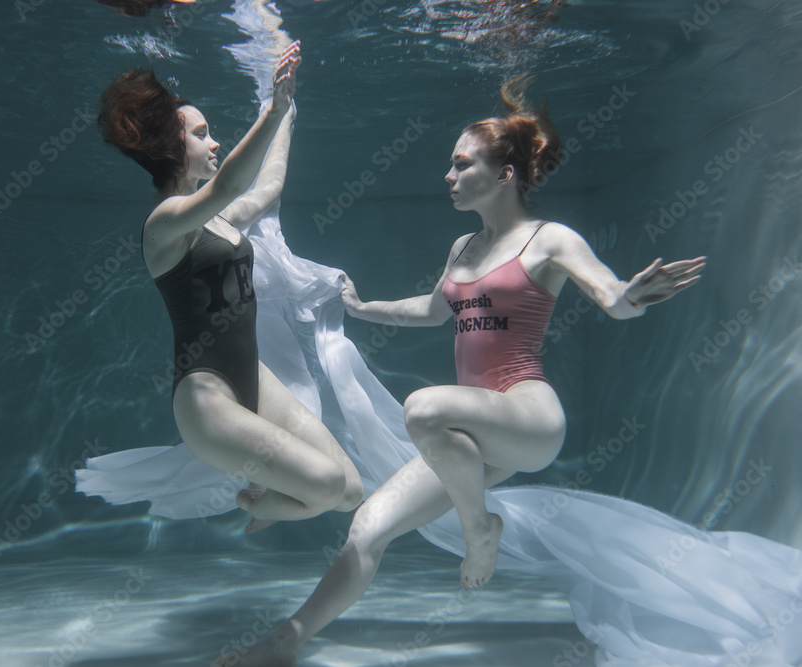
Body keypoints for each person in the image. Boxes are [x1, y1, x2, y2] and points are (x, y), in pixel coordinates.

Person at [212, 74, 706, 666]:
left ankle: (479, 532)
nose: (448, 175)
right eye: (451, 164)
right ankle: (287, 639)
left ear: (505, 174)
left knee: (423, 407)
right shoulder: (462, 249)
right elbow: (430, 311)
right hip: (468, 436)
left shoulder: (550, 239)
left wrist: (632, 295)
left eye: (461, 164)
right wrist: (361, 307)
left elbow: (611, 297)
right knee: (367, 526)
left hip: (527, 416)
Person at [93, 41, 363, 533]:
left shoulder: (216, 220)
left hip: (252, 378)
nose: (214, 142)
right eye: (201, 135)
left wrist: (286, 114)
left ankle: (265, 496)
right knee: (324, 485)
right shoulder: (163, 224)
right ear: (172, 148)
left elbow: (268, 187)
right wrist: (272, 111)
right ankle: (253, 502)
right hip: (207, 401)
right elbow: (231, 186)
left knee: (349, 491)